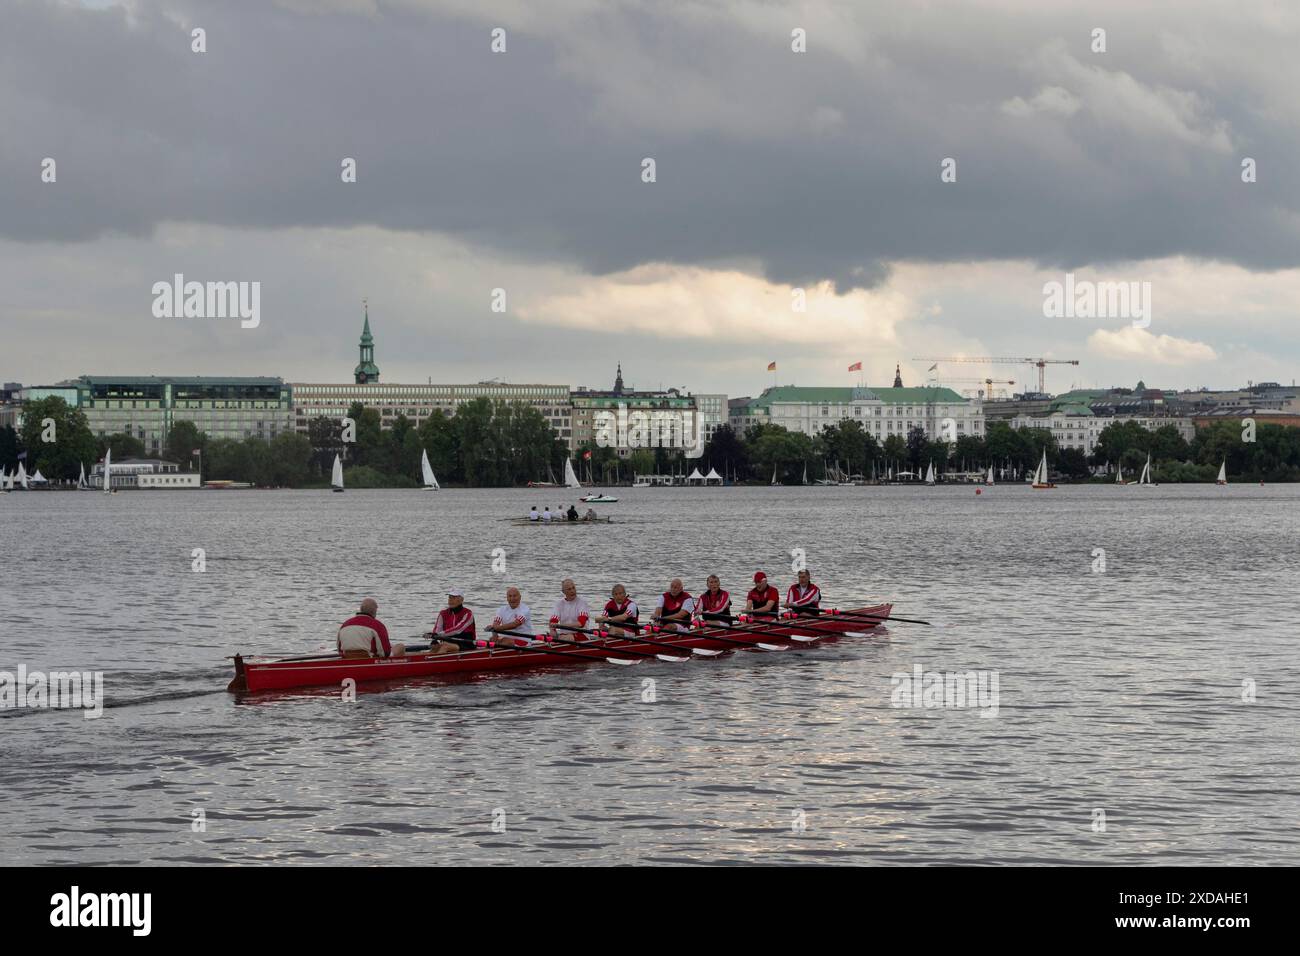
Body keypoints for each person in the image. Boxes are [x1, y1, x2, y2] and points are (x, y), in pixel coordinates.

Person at [337, 598, 402, 658]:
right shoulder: (377, 625)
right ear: (375, 611)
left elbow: (340, 650)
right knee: (400, 647)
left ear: (361, 609)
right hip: (369, 660)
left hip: (348, 659)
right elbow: (385, 653)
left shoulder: (344, 625)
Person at [428, 589, 477, 654]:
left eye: (454, 598)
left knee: (445, 646)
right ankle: (424, 661)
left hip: (466, 643)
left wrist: (438, 635)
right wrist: (434, 639)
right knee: (435, 647)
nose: (450, 600)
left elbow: (458, 629)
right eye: (449, 598)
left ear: (461, 600)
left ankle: (434, 662)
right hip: (449, 642)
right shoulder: (443, 613)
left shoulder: (467, 613)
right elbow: (437, 629)